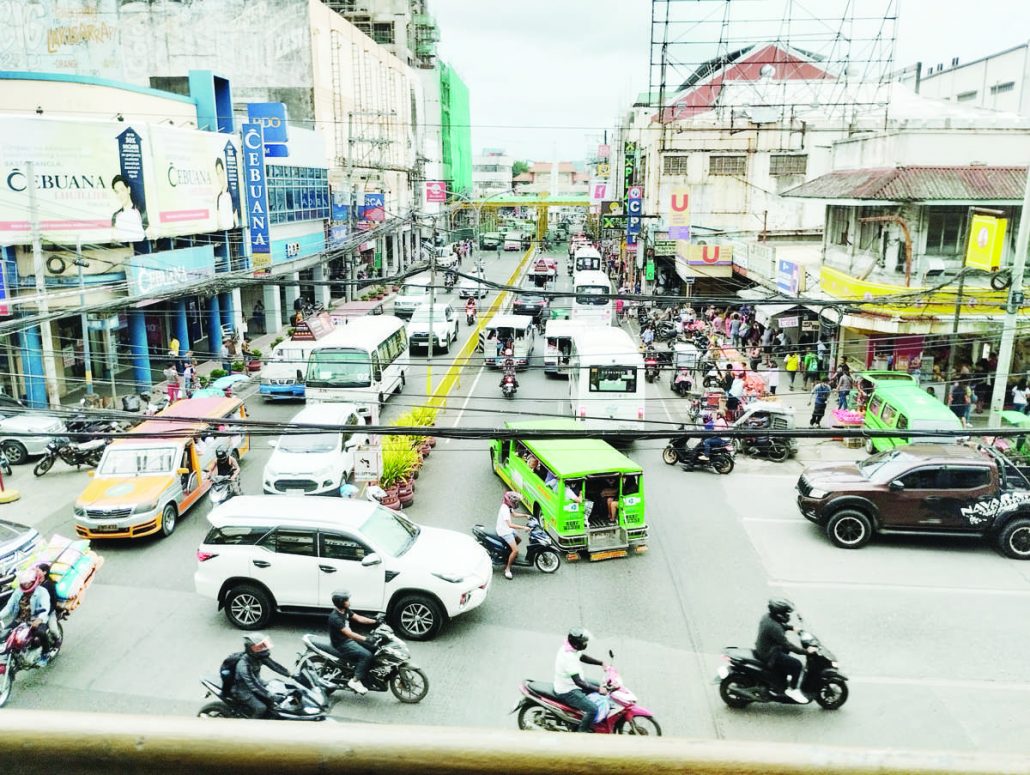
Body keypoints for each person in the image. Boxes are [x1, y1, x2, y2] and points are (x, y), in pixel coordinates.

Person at [755, 598, 813, 704]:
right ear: (779, 614)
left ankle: (782, 676)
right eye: (785, 613)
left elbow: (780, 625)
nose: (788, 615)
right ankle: (793, 690)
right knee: (797, 665)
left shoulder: (767, 617)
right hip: (770, 654)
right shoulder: (774, 627)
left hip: (765, 648)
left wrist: (792, 628)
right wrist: (806, 651)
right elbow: (788, 645)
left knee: (786, 654)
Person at [553, 627, 607, 733]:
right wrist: (598, 690)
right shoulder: (568, 658)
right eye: (584, 642)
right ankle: (582, 732)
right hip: (568, 691)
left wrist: (601, 663)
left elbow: (582, 657)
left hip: (571, 683)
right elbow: (579, 682)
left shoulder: (571, 648)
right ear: (577, 643)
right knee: (593, 709)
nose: (586, 643)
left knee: (598, 684)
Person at [0, 567, 56, 666]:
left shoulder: (42, 592)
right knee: (5, 635)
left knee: (40, 633)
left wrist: (39, 619)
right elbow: (8, 607)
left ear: (34, 581)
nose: (26, 585)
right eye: (24, 582)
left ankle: (45, 653)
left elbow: (45, 608)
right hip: (20, 619)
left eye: (28, 582)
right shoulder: (18, 591)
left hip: (35, 620)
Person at [327, 589, 377, 695]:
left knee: (374, 647)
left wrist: (375, 620)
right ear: (341, 602)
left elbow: (358, 618)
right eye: (347, 600)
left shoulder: (345, 610)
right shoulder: (335, 618)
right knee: (366, 655)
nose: (349, 602)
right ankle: (355, 681)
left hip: (348, 639)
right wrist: (366, 639)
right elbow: (349, 634)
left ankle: (366, 673)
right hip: (341, 644)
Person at [231, 633, 292, 718]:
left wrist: (291, 674)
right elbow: (254, 685)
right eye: (260, 647)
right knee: (261, 708)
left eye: (264, 646)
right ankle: (251, 728)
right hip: (244, 691)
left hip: (257, 682)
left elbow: (274, 665)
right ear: (252, 650)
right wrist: (271, 695)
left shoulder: (258, 657)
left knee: (277, 684)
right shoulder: (244, 665)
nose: (264, 649)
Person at [496, 491, 530, 579]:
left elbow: (514, 514)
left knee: (519, 539)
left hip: (508, 529)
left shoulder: (508, 506)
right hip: (504, 531)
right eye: (515, 501)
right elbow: (510, 525)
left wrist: (525, 515)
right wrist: (523, 527)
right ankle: (507, 569)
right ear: (510, 501)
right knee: (516, 551)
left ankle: (509, 554)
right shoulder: (504, 509)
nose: (516, 503)